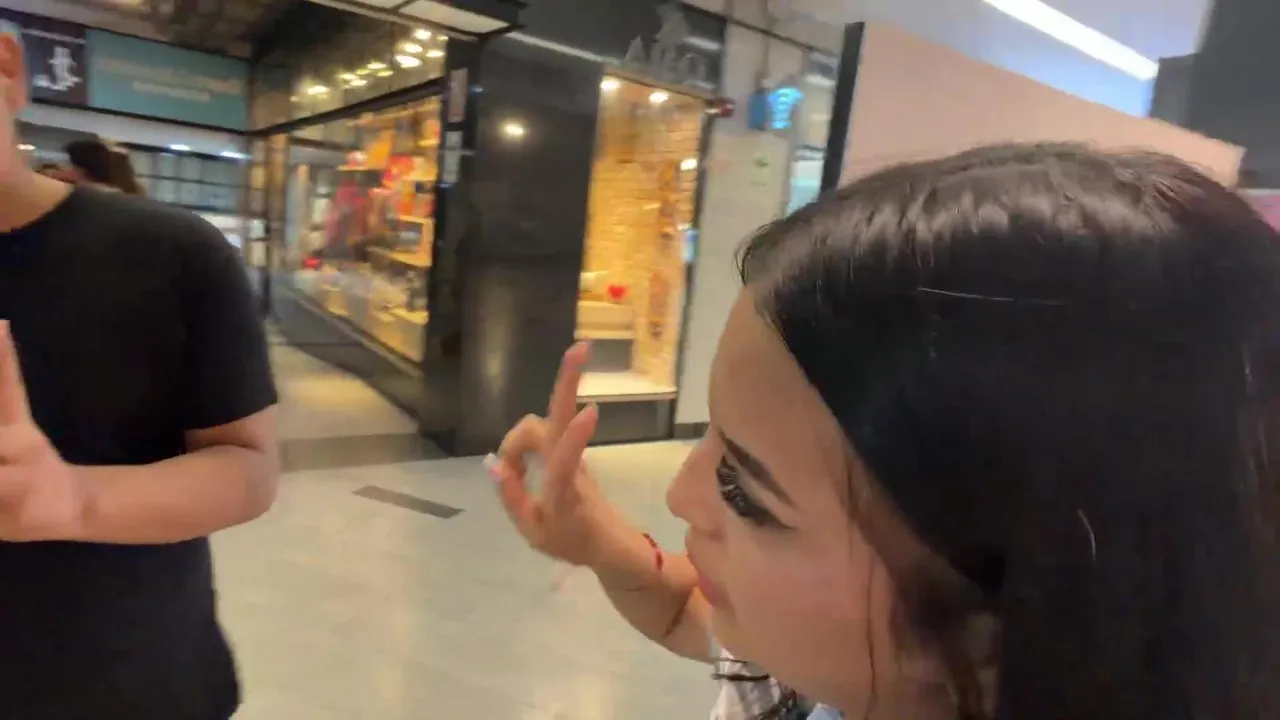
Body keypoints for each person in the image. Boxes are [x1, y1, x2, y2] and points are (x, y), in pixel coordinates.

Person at [491, 143, 1280, 719]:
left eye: (746, 490)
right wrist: (601, 544)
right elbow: (680, 612)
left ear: (995, 621)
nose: (679, 493)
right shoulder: (839, 673)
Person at [0, 30, 278, 719]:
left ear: (6, 69)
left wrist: (75, 499)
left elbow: (248, 468)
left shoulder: (171, 253)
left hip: (130, 680)